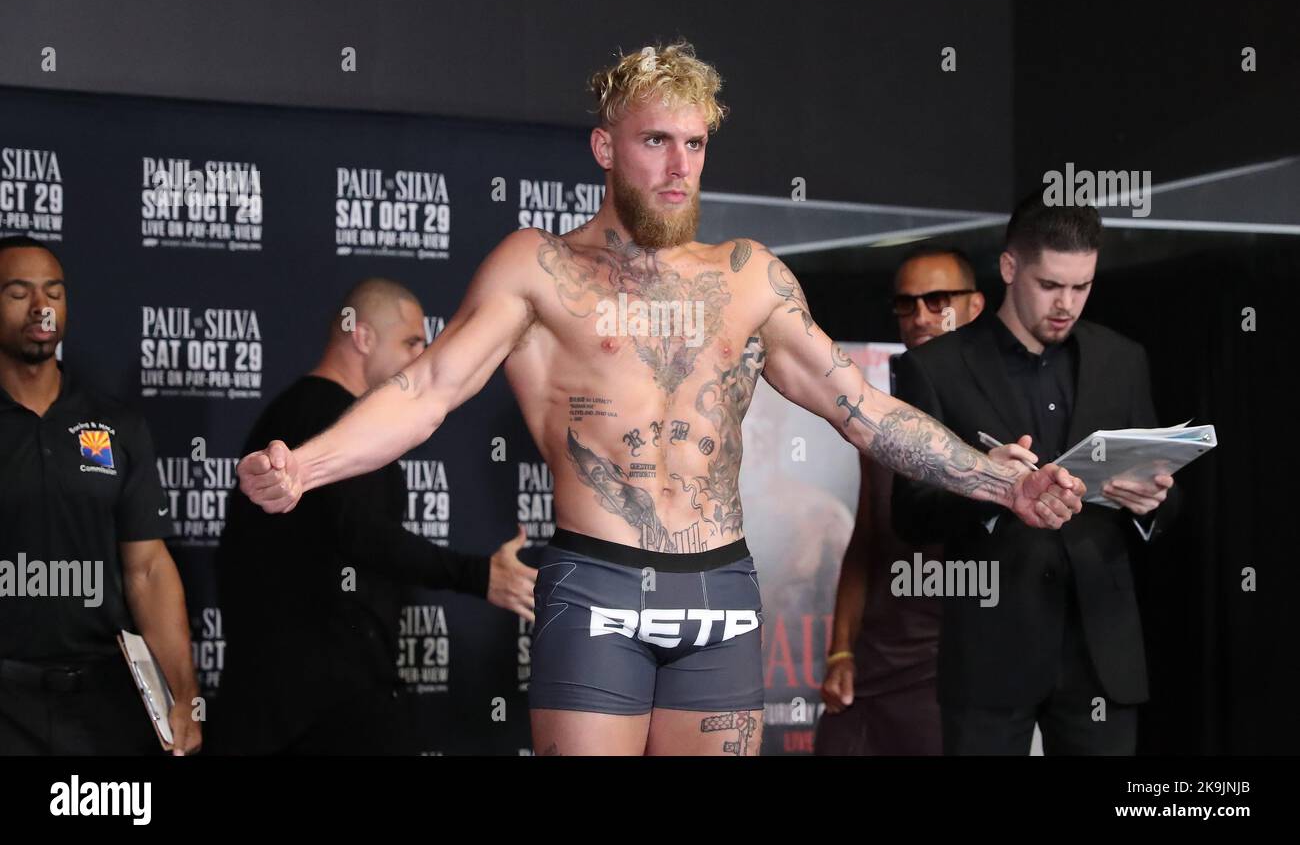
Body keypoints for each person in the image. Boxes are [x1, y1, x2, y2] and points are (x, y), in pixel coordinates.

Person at [237, 42, 1084, 756]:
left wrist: (1000, 481)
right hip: (596, 590)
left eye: (695, 143)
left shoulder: (747, 276)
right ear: (605, 148)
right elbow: (426, 390)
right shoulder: (539, 268)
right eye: (656, 142)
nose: (680, 168)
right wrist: (305, 466)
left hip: (720, 592)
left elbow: (857, 405)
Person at [891, 201, 1181, 755]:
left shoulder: (1123, 359)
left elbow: (1168, 497)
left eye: (1082, 286)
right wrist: (985, 485)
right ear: (1008, 269)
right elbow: (908, 515)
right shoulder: (936, 370)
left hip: (1102, 650)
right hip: (990, 653)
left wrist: (1152, 502)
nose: (1066, 304)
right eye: (1050, 285)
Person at [215, 278, 536, 754]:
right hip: (324, 704)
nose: (420, 358)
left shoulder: (297, 410)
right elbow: (362, 533)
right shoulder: (334, 423)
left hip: (293, 697)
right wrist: (477, 574)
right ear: (361, 337)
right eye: (411, 342)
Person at [0, 235, 202, 755]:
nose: (41, 307)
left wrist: (182, 695)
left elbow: (149, 569)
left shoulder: (118, 426)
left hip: (101, 701)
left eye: (54, 292)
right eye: (19, 293)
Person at [816, 246, 986, 755]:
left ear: (974, 306)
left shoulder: (999, 408)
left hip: (956, 665)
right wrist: (841, 650)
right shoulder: (882, 416)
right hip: (875, 661)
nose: (921, 316)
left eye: (938, 301)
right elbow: (866, 539)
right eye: (907, 304)